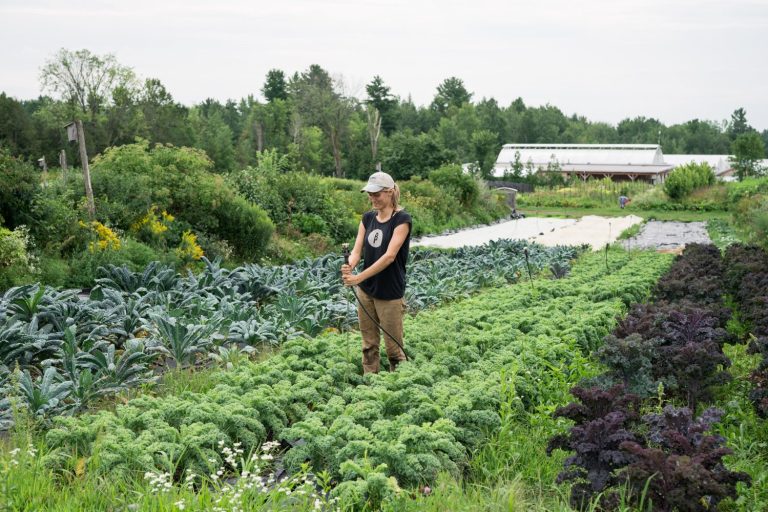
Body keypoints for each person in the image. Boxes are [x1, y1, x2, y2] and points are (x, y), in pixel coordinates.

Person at [342, 171, 412, 373]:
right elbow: (357, 251)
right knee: (368, 345)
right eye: (370, 194)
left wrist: (358, 277)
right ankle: (370, 381)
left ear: (389, 192)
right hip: (366, 291)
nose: (372, 198)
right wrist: (350, 265)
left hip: (389, 292)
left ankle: (399, 384)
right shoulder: (367, 218)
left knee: (394, 350)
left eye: (377, 194)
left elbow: (389, 257)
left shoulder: (402, 220)